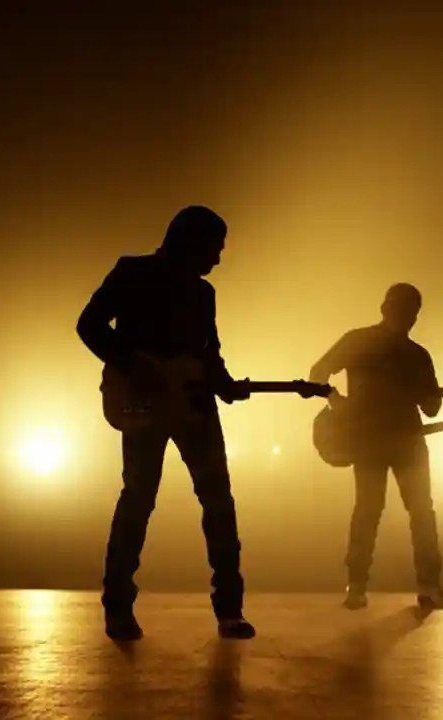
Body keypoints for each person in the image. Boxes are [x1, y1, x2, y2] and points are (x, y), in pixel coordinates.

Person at [76, 205, 255, 641]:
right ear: (190, 242)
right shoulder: (132, 272)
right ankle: (118, 608)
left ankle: (229, 610)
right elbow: (89, 325)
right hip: (143, 404)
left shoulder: (204, 294)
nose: (218, 259)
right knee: (139, 499)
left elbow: (208, 353)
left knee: (218, 502)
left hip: (194, 404)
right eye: (214, 248)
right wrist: (134, 366)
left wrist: (225, 385)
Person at [309, 283, 443, 610]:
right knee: (406, 511)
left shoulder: (376, 345)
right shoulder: (400, 350)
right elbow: (432, 407)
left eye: (410, 310)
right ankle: (415, 586)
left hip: (391, 441)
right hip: (391, 442)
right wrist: (339, 404)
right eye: (406, 310)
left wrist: (339, 403)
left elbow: (317, 373)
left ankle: (366, 587)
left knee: (383, 511)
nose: (408, 317)